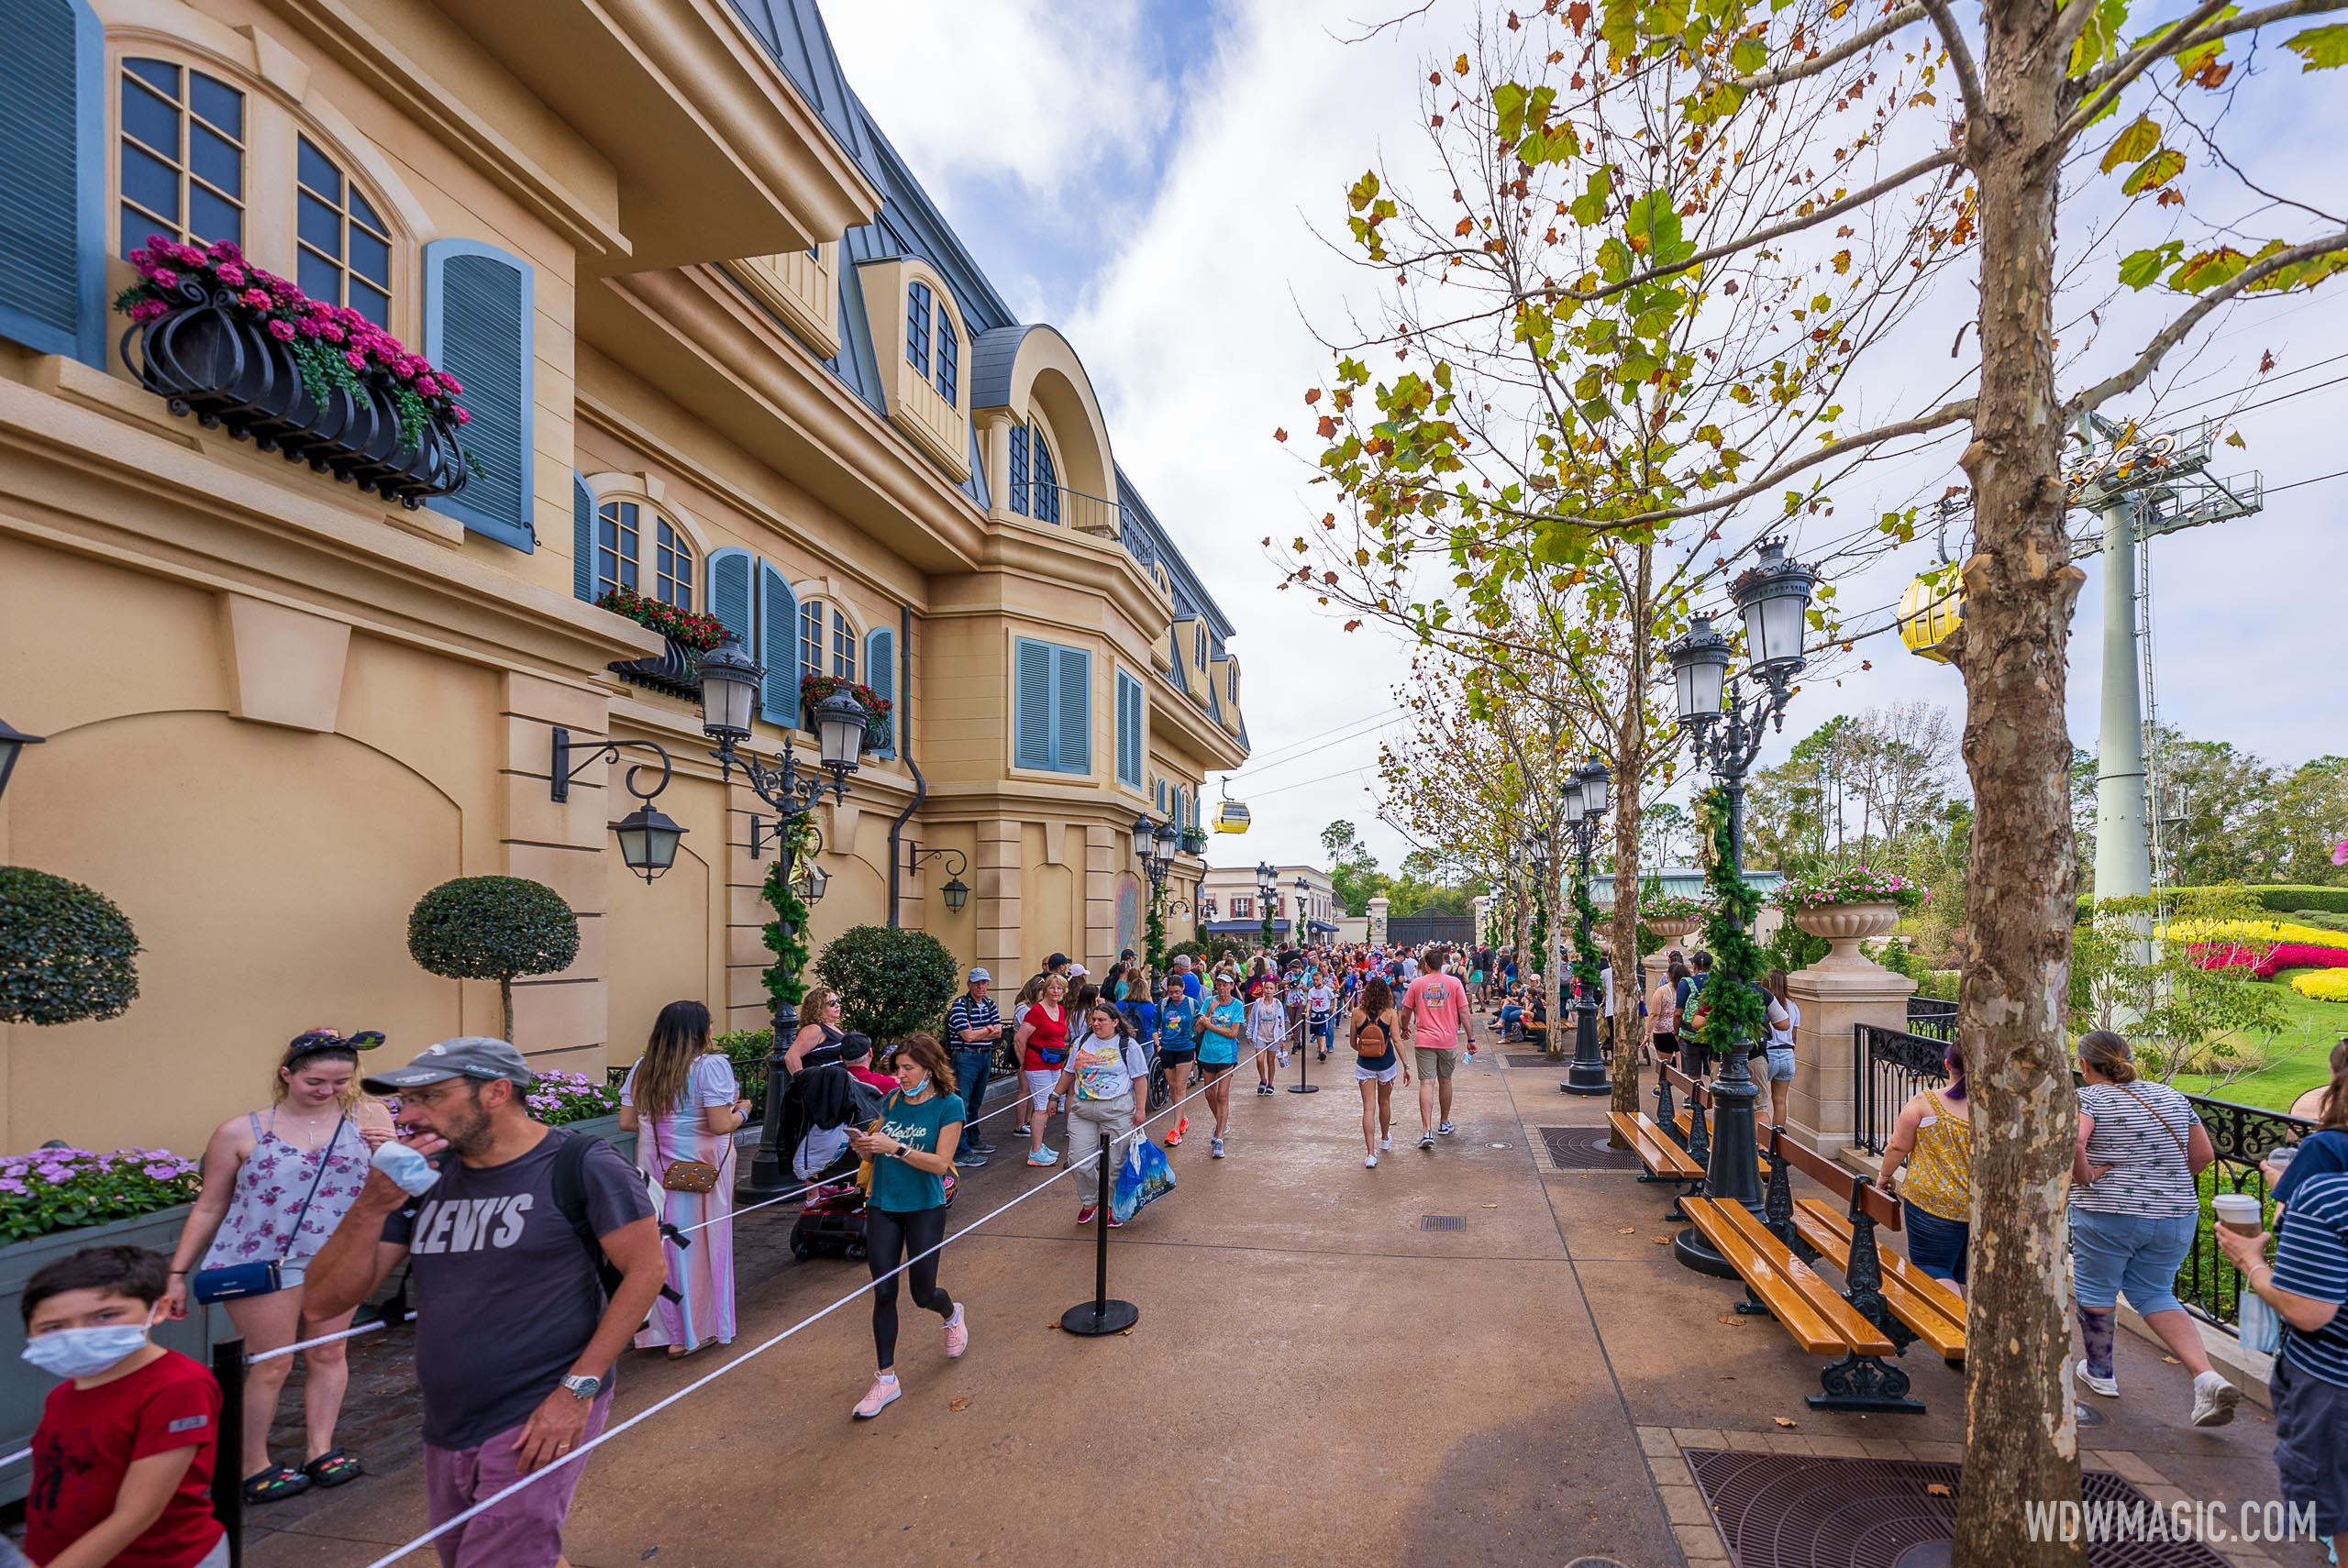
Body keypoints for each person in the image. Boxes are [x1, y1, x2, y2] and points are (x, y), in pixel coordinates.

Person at [304, 1037, 664, 1568]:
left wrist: (577, 1390)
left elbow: (646, 1270)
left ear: (495, 1092)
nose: (408, 1114)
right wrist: (371, 1204)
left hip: (540, 1404)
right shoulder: (426, 1182)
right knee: (481, 1556)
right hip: (448, 1419)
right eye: (405, 1099)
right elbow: (323, 1301)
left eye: (428, 1096)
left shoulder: (580, 1163)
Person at [163, 1028, 395, 1503]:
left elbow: (394, 1187)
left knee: (329, 1353)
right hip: (261, 1257)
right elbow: (210, 1205)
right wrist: (176, 1275)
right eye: (315, 1081)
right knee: (272, 1364)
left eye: (340, 1081)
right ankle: (253, 1465)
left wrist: (389, 1149)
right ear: (286, 1074)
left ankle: (320, 1449)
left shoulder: (371, 1116)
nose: (328, 1091)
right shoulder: (240, 1131)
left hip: (339, 1255)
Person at [2070, 1029, 2239, 1426]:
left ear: (2084, 1065)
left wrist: (2087, 1177)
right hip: (2176, 1213)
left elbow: (2076, 1142)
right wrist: (2167, 1184)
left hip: (2110, 1212)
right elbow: (2203, 1154)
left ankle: (2101, 1373)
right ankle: (2205, 1376)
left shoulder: (2089, 1097)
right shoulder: (2171, 1096)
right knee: (2154, 1292)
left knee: (2096, 1290)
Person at [23, 1245, 227, 1568]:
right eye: (54, 1327)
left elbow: (137, 1513)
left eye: (105, 1316)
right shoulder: (63, 1394)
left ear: (158, 1310)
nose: (80, 1335)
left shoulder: (177, 1387)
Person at [2217, 1169, 2348, 1565]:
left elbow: (2307, 1311)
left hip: (2333, 1382)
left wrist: (2251, 1262)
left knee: (2339, 1510)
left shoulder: (2328, 1194)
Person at [842, 1033, 969, 1420]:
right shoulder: (893, 1100)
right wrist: (864, 1147)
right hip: (883, 1202)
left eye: (908, 1068)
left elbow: (940, 1164)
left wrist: (895, 1148)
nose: (900, 1075)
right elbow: (880, 1143)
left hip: (924, 1207)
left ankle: (951, 1314)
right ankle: (886, 1378)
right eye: (897, 1068)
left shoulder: (950, 1106)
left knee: (922, 1292)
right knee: (883, 1290)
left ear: (929, 1069)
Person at [617, 1001, 748, 1358]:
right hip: (698, 1171)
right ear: (699, 1032)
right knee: (701, 1245)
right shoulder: (711, 1067)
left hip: (654, 1171)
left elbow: (627, 1122)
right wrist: (744, 1111)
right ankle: (694, 1331)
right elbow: (720, 1124)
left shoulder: (644, 1068)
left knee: (661, 1245)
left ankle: (662, 1330)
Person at [1874, 1043, 1972, 1291]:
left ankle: (1948, 1327)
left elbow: (1897, 1146)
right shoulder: (1992, 1111)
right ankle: (1963, 1322)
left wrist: (1885, 1175)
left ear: (1947, 1065)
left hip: (1929, 1203)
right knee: (1960, 1269)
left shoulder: (1924, 1103)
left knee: (1932, 1265)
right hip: (1973, 1203)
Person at [1057, 1002, 1153, 1226]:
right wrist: (1054, 1096)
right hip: (1083, 1109)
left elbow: (1140, 1079)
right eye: (1094, 1019)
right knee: (1078, 1160)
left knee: (1116, 1164)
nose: (1096, 1023)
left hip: (1117, 1110)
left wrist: (1140, 1110)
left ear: (1115, 1022)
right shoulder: (1081, 1042)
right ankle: (1090, 1201)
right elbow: (1069, 1072)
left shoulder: (1128, 1045)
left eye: (1102, 1020)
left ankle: (1111, 1204)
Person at [1401, 944, 1476, 1151]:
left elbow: (1405, 1011)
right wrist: (1470, 1039)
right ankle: (1444, 1122)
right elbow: (1465, 1012)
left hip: (1424, 1039)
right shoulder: (1454, 984)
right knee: (1446, 1080)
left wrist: (1404, 1028)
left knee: (1426, 1083)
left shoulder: (1417, 984)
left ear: (1425, 964)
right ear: (1443, 963)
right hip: (1447, 1040)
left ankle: (1427, 1130)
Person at [945, 968, 1004, 1169]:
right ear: (969, 984)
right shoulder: (960, 1006)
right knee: (961, 1103)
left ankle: (972, 1139)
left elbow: (998, 1032)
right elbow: (967, 1037)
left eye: (984, 983)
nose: (981, 987)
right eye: (977, 983)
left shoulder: (989, 1003)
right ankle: (960, 1150)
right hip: (965, 1057)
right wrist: (987, 1030)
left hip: (983, 1055)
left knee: (975, 1103)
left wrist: (982, 1032)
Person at [1350, 976, 1410, 1168]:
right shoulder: (1390, 1013)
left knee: (1368, 1108)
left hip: (1365, 1065)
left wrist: (1364, 1049)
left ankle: (1370, 1154)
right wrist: (1406, 1065)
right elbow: (1397, 1040)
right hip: (1386, 1063)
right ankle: (1385, 1138)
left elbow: (1353, 1042)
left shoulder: (1357, 1013)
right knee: (1384, 1102)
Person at [1014, 972, 1073, 1166]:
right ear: (1045, 989)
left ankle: (1038, 1145)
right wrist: (1024, 1062)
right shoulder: (1036, 1012)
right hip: (1037, 1063)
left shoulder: (1061, 1010)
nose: (1055, 991)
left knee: (1049, 1106)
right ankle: (1035, 1151)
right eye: (1052, 987)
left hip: (1054, 1062)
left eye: (1059, 988)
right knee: (1041, 1106)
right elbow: (1020, 1038)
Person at [1197, 972, 1246, 1158]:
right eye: (1219, 985)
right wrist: (1209, 1012)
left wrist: (1210, 1026)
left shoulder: (1236, 1005)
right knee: (1210, 1094)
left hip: (1226, 1054)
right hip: (1207, 1053)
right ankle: (1221, 1123)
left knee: (1222, 1095)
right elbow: (1198, 1027)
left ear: (1232, 986)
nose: (1222, 988)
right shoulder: (1209, 1000)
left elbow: (1232, 1033)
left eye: (1226, 985)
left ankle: (1218, 1139)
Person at [1157, 973, 1201, 1148]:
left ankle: (1175, 1130)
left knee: (1181, 1087)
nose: (1174, 996)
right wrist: (1157, 1044)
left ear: (1183, 989)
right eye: (1170, 992)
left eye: (1177, 992)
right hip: (1167, 1048)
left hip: (1185, 1048)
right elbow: (1155, 1024)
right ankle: (1182, 1117)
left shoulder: (1191, 1003)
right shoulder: (1163, 1004)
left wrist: (1194, 1038)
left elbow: (1199, 1023)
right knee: (1173, 1087)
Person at [1761, 969, 1800, 1130]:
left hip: (1768, 1053)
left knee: (1760, 1103)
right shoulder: (1793, 1006)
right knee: (1780, 1101)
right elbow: (1794, 1035)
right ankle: (1776, 1142)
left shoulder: (1765, 1003)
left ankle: (1759, 1140)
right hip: (1787, 1053)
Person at [1248, 980, 1287, 1095]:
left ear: (1275, 990)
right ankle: (1263, 1080)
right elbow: (1253, 1019)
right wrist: (1249, 1033)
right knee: (1259, 1059)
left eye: (1271, 988)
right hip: (1260, 1035)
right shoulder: (1258, 1003)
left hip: (1273, 1036)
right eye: (1267, 988)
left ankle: (1270, 1083)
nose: (1268, 990)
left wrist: (1282, 1037)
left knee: (1271, 1061)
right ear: (1263, 989)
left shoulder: (1278, 1004)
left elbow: (1281, 1021)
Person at [1648, 960, 1685, 1071]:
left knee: (1665, 1067)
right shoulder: (1685, 990)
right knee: (1681, 1065)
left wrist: (1647, 1033)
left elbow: (1654, 1014)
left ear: (1669, 974)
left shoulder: (1662, 991)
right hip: (1680, 1029)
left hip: (1663, 1032)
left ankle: (1664, 1087)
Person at [1308, 970, 1338, 1062]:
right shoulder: (1311, 991)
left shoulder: (1327, 990)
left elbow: (1334, 998)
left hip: (1323, 1013)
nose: (1315, 982)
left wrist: (1334, 1009)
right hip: (1314, 1013)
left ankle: (1322, 1051)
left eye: (1317, 980)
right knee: (1317, 1033)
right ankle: (1320, 1047)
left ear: (1321, 979)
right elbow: (1309, 1001)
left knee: (1323, 1032)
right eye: (1314, 980)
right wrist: (1307, 1011)